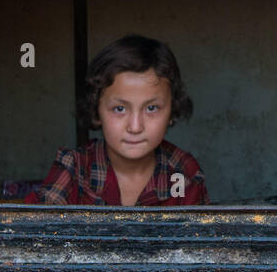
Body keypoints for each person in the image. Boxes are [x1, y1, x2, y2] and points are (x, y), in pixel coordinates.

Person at [25, 35, 209, 206]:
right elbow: (36, 231)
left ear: (172, 110)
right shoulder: (75, 168)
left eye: (151, 108)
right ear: (96, 110)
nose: (135, 127)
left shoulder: (183, 173)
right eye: (119, 109)